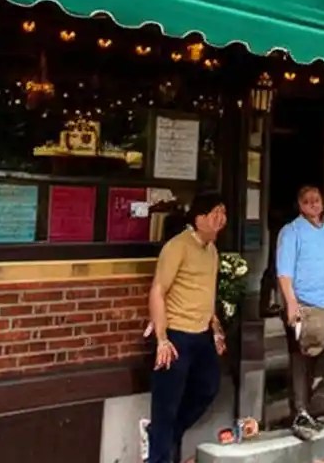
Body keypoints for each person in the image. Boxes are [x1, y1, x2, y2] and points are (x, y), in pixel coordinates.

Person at [145, 193, 228, 463]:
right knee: (165, 405)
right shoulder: (177, 246)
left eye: (223, 213)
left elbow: (207, 294)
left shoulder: (212, 251)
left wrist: (215, 328)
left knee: (208, 387)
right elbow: (158, 290)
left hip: (201, 333)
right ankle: (159, 453)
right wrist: (161, 338)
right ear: (199, 218)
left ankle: (166, 435)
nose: (220, 219)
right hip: (176, 334)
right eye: (214, 213)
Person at [276, 186, 324, 440]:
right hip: (303, 305)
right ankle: (300, 410)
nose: (313, 204)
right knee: (301, 359)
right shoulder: (292, 231)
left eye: (316, 200)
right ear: (300, 205)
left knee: (319, 358)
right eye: (307, 201)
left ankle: (312, 406)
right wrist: (291, 303)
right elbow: (284, 271)